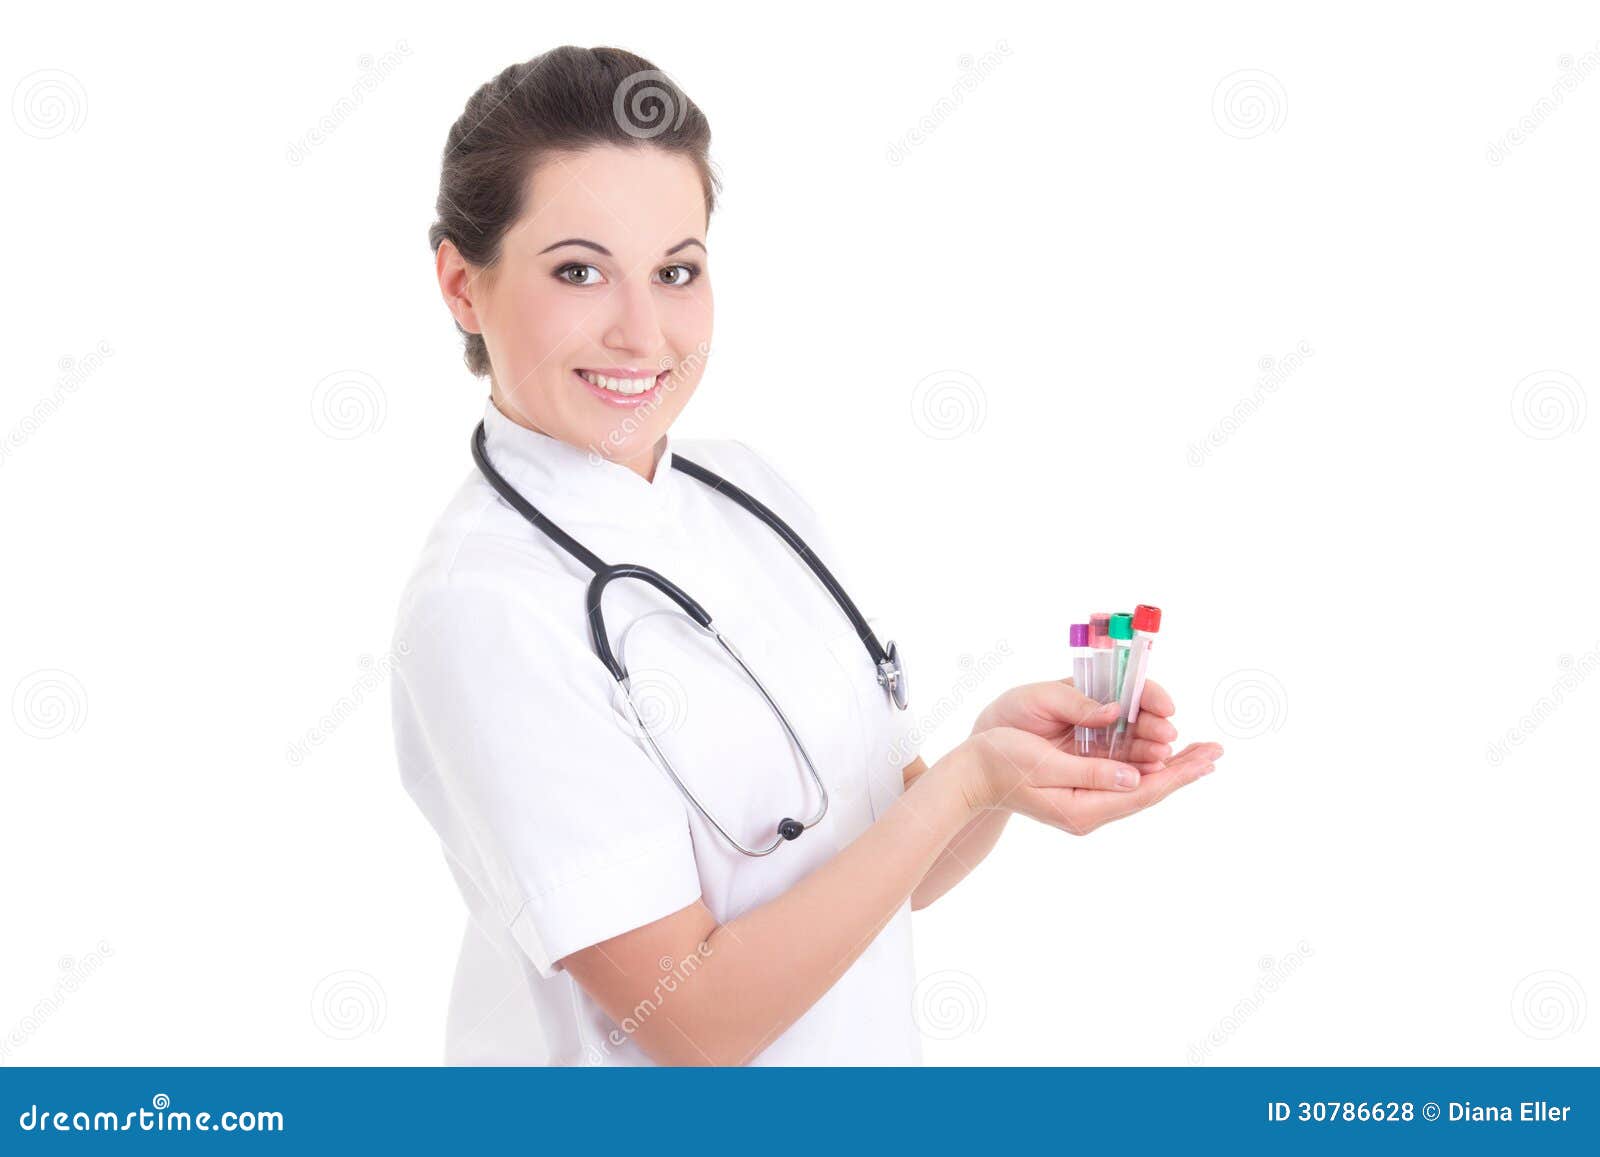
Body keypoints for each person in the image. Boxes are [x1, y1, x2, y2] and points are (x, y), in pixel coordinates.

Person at [389, 44, 1224, 1066]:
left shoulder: (744, 491)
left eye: (676, 270)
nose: (642, 331)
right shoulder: (485, 607)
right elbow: (689, 1023)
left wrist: (996, 774)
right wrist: (962, 783)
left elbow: (885, 870)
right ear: (461, 286)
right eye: (578, 270)